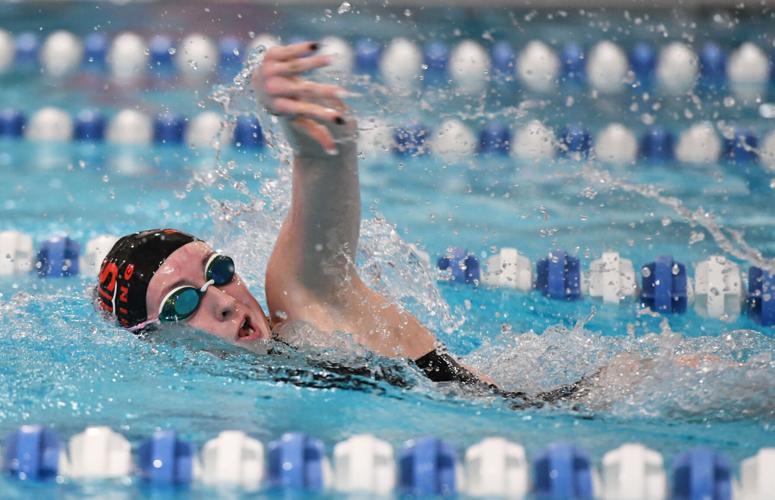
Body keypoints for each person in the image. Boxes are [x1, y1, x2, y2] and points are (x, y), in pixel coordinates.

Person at [95, 41, 586, 406]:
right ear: (152, 340)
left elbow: (321, 185)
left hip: (582, 409)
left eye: (219, 271)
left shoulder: (305, 311)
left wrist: (311, 135)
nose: (223, 301)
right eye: (182, 301)